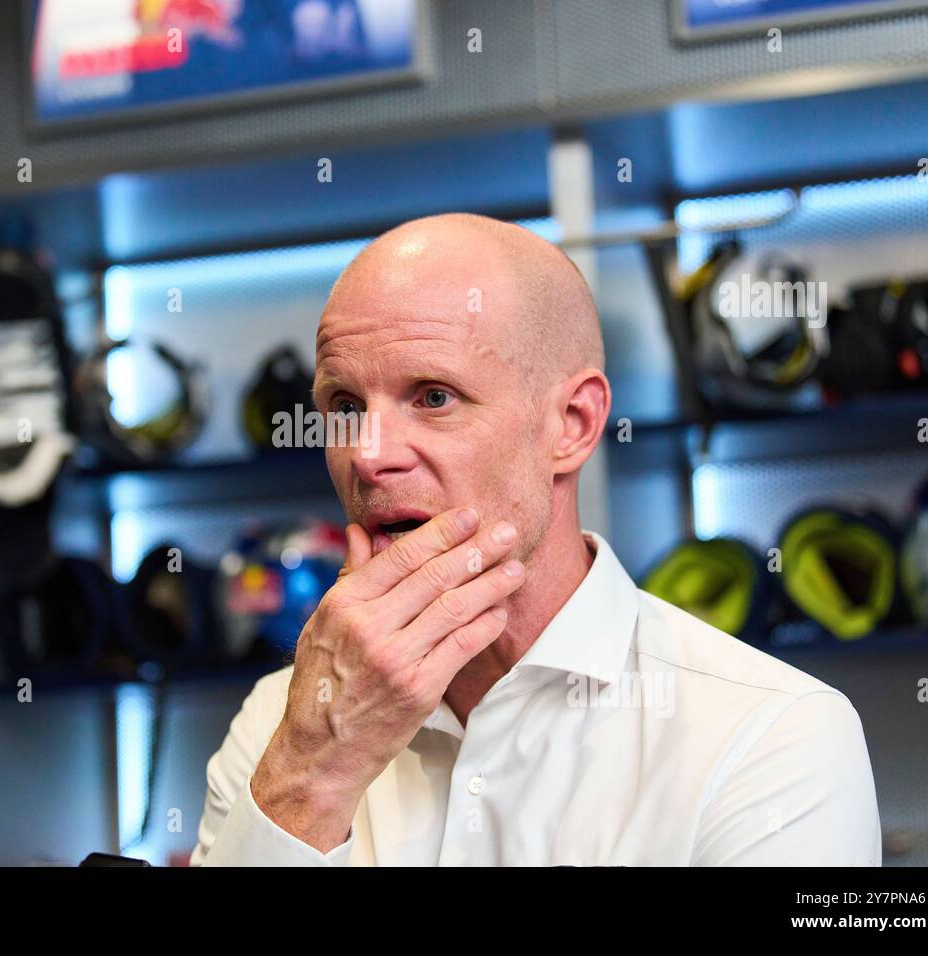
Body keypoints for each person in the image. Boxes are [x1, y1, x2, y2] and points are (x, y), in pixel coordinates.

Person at [191, 213, 882, 865]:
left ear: (573, 425)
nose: (368, 456)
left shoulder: (772, 735)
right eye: (345, 407)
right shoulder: (281, 727)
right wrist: (311, 775)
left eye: (433, 397)